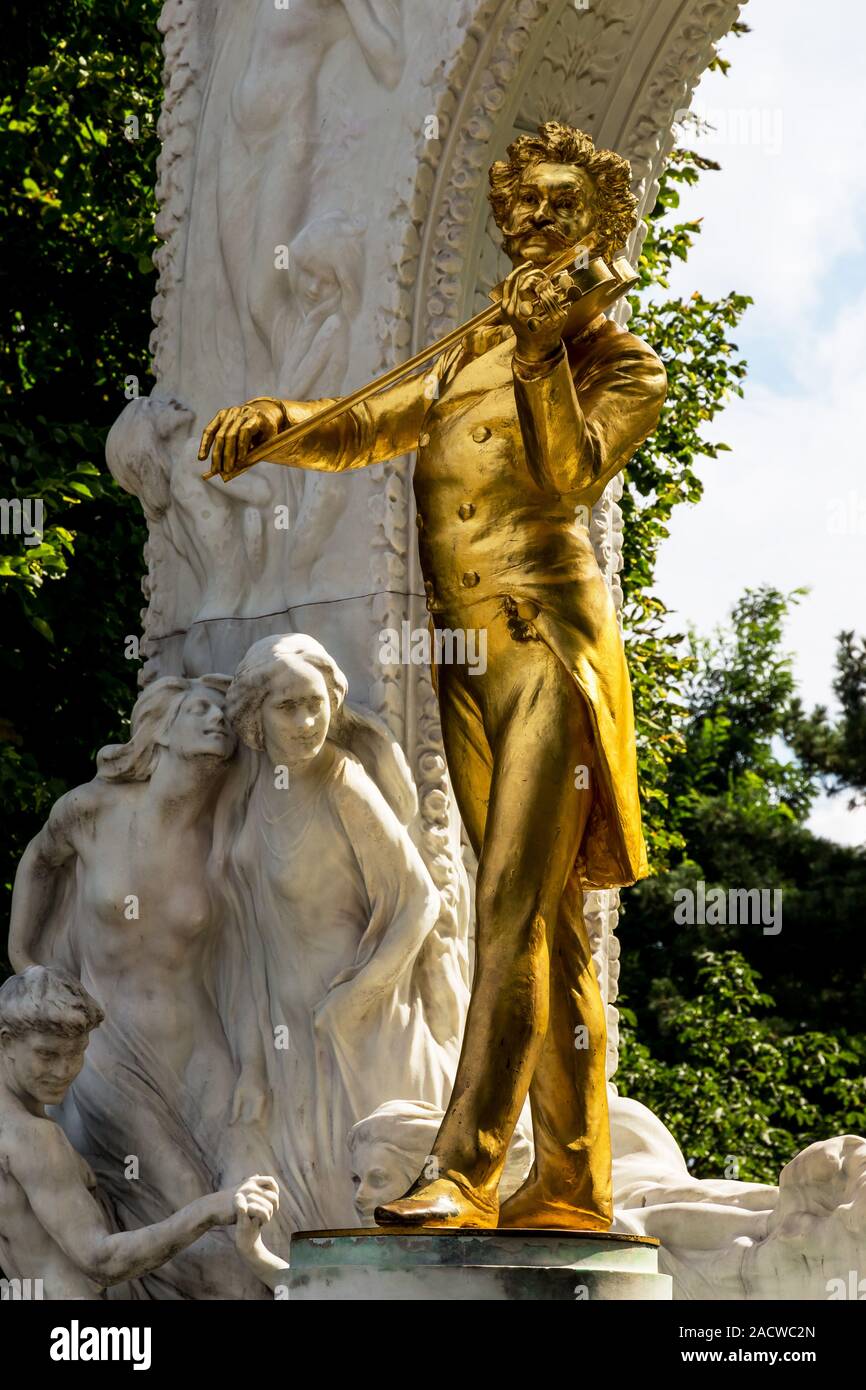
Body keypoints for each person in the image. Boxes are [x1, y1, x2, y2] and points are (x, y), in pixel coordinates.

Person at [199, 122, 667, 1230]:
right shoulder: (466, 352)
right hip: (465, 652)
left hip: (548, 644)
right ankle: (571, 1181)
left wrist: (550, 341)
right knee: (541, 918)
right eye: (523, 211)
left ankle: (463, 1167)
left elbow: (566, 472)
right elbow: (369, 423)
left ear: (600, 226)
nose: (535, 226)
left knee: (506, 907)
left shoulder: (620, 362)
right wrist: (283, 424)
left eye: (561, 209)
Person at [8, 676, 271, 1297]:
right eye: (199, 711)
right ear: (162, 729)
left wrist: (259, 1065)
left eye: (223, 714)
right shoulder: (92, 810)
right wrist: (25, 959)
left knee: (261, 1192)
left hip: (204, 1046)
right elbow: (40, 861)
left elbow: (256, 955)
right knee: (195, 1211)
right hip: (112, 1052)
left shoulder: (227, 828)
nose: (217, 722)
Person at [0, 965, 276, 1300]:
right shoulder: (34, 1137)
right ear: (5, 1041)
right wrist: (210, 1209)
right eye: (47, 1054)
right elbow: (103, 1259)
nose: (63, 1070)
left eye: (76, 1054)